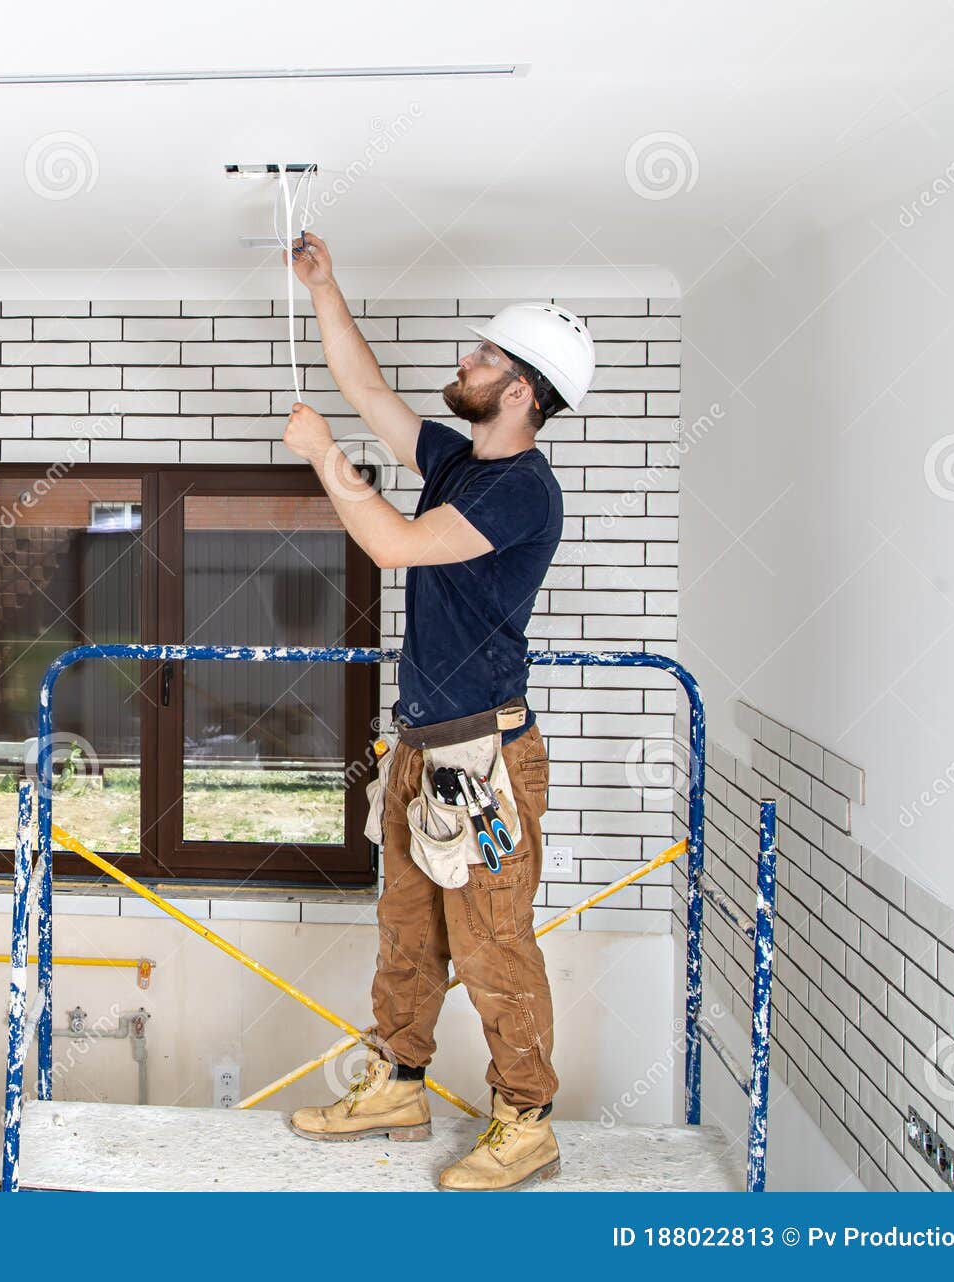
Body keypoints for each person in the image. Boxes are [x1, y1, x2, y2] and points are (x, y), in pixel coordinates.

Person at [279, 232, 595, 1191]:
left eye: (486, 356)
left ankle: (526, 1120)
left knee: (494, 942)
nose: (469, 361)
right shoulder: (462, 461)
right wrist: (327, 289)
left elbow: (394, 547)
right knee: (406, 933)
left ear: (521, 391)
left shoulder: (522, 494)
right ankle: (398, 1083)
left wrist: (327, 459)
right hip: (424, 745)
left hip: (485, 760)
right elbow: (368, 388)